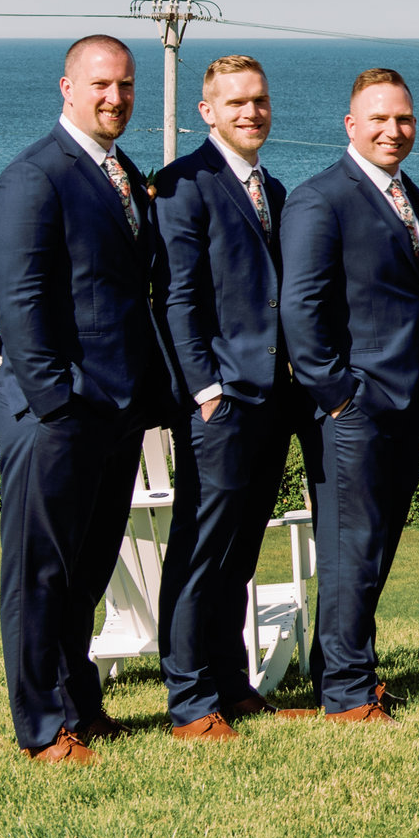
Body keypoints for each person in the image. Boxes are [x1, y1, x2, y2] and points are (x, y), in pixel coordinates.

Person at [0, 35, 176, 762]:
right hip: (58, 412)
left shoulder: (121, 171)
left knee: (87, 571)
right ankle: (40, 727)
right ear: (66, 87)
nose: (116, 98)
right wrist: (57, 401)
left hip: (116, 408)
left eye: (126, 86)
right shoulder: (35, 176)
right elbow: (21, 299)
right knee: (38, 573)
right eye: (101, 84)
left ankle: (79, 702)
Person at [153, 53, 316, 739]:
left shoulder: (270, 188)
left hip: (269, 398)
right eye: (237, 102)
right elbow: (178, 298)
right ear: (207, 111)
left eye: (260, 100)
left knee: (239, 551)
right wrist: (206, 389)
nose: (252, 112)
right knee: (201, 546)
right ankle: (189, 699)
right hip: (221, 399)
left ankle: (228, 680)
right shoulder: (183, 185)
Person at [280, 68, 419, 723]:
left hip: (404, 404)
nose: (392, 129)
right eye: (378, 119)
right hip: (352, 408)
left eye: (403, 119)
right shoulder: (322, 198)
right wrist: (337, 393)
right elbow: (301, 306)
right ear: (351, 125)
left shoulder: (408, 194)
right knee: (352, 547)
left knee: (376, 548)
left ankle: (347, 672)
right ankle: (348, 692)